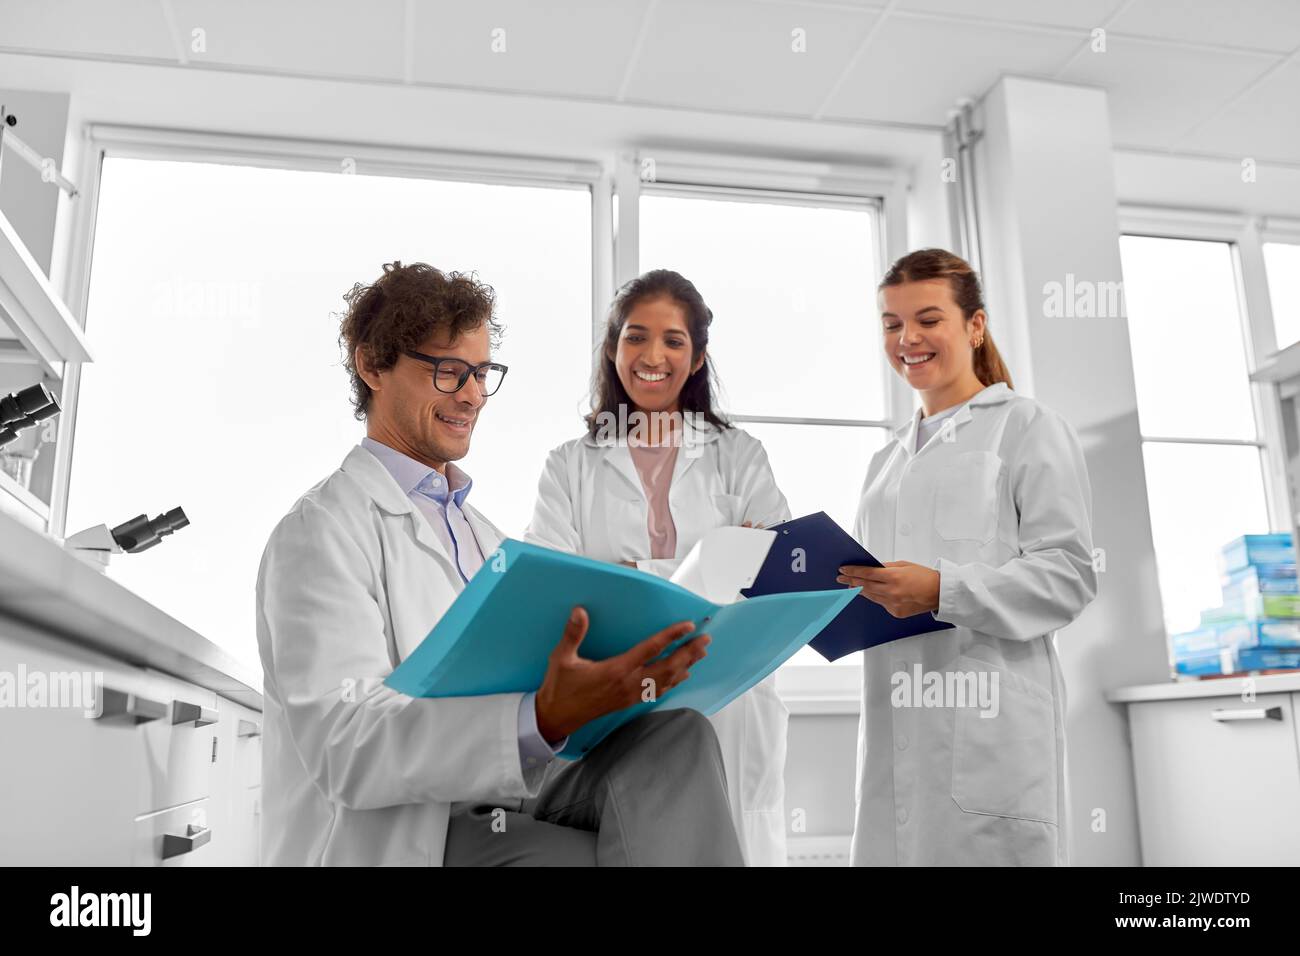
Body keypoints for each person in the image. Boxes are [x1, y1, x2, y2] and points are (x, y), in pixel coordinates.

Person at [256, 261, 744, 866]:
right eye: (448, 371)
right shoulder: (322, 531)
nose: (472, 394)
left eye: (482, 373)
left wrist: (602, 688)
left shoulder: (483, 536)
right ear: (372, 365)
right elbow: (346, 745)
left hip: (511, 793)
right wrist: (537, 716)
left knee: (679, 737)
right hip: (413, 831)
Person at [837, 248, 1098, 866]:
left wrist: (940, 590)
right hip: (895, 728)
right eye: (892, 323)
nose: (908, 339)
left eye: (929, 320)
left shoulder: (1026, 428)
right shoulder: (885, 464)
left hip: (990, 734)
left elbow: (1068, 574)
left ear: (974, 327)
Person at [525, 269, 792, 866]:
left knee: (733, 842)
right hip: (618, 695)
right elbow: (552, 587)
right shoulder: (569, 466)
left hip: (729, 692)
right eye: (635, 337)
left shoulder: (739, 457)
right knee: (638, 840)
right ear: (613, 348)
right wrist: (708, 563)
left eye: (673, 341)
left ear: (696, 358)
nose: (653, 356)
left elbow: (779, 567)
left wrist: (631, 571)